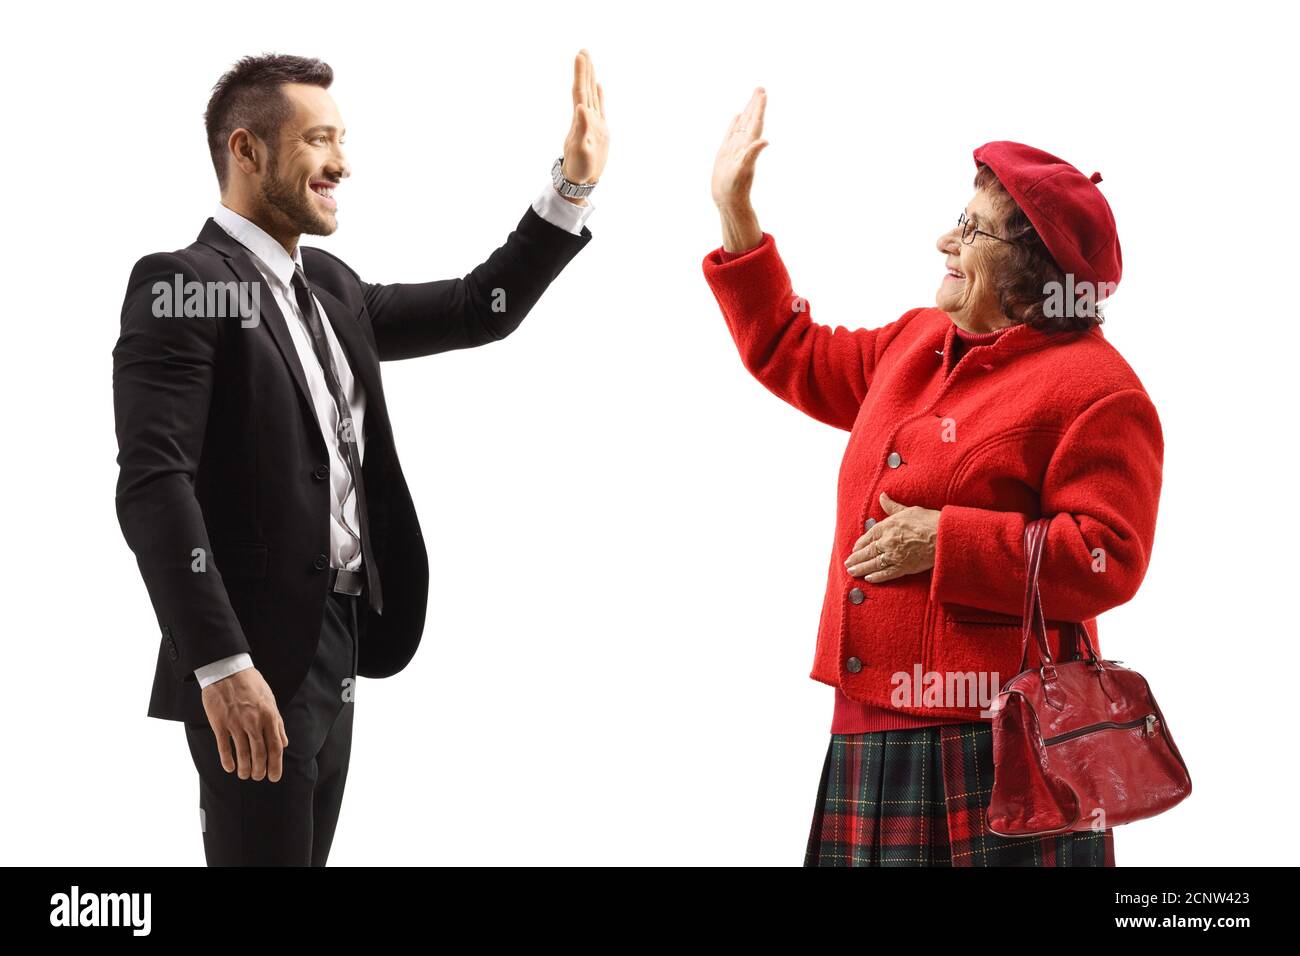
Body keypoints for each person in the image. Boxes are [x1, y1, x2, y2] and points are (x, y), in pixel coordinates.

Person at [112, 50, 608, 865]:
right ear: (247, 151)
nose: (341, 161)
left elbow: (480, 308)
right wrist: (219, 663)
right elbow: (153, 486)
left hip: (336, 636)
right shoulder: (186, 283)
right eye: (318, 139)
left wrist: (571, 187)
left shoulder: (334, 290)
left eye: (341, 138)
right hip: (252, 655)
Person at [702, 88, 1162, 866]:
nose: (946, 238)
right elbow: (791, 349)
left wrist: (944, 539)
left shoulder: (1099, 389)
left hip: (996, 747)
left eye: (974, 229)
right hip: (866, 725)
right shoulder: (918, 340)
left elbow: (1107, 556)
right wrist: (735, 213)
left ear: (1032, 267)